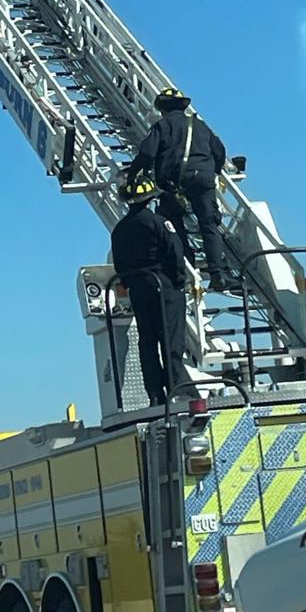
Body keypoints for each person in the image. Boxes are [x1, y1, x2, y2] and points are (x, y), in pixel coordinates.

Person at [128, 87, 228, 290]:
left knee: (171, 222)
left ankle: (187, 264)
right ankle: (218, 273)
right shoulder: (200, 126)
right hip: (204, 180)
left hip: (175, 184)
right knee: (209, 224)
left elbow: (147, 153)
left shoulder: (162, 126)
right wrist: (212, 172)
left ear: (162, 108)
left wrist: (133, 175)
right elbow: (220, 151)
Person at [111, 175, 191, 406]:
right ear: (150, 199)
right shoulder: (159, 223)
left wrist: (131, 283)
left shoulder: (119, 230)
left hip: (139, 290)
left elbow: (120, 265)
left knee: (147, 342)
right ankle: (178, 391)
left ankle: (155, 395)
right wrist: (179, 280)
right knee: (171, 341)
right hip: (165, 289)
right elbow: (175, 252)